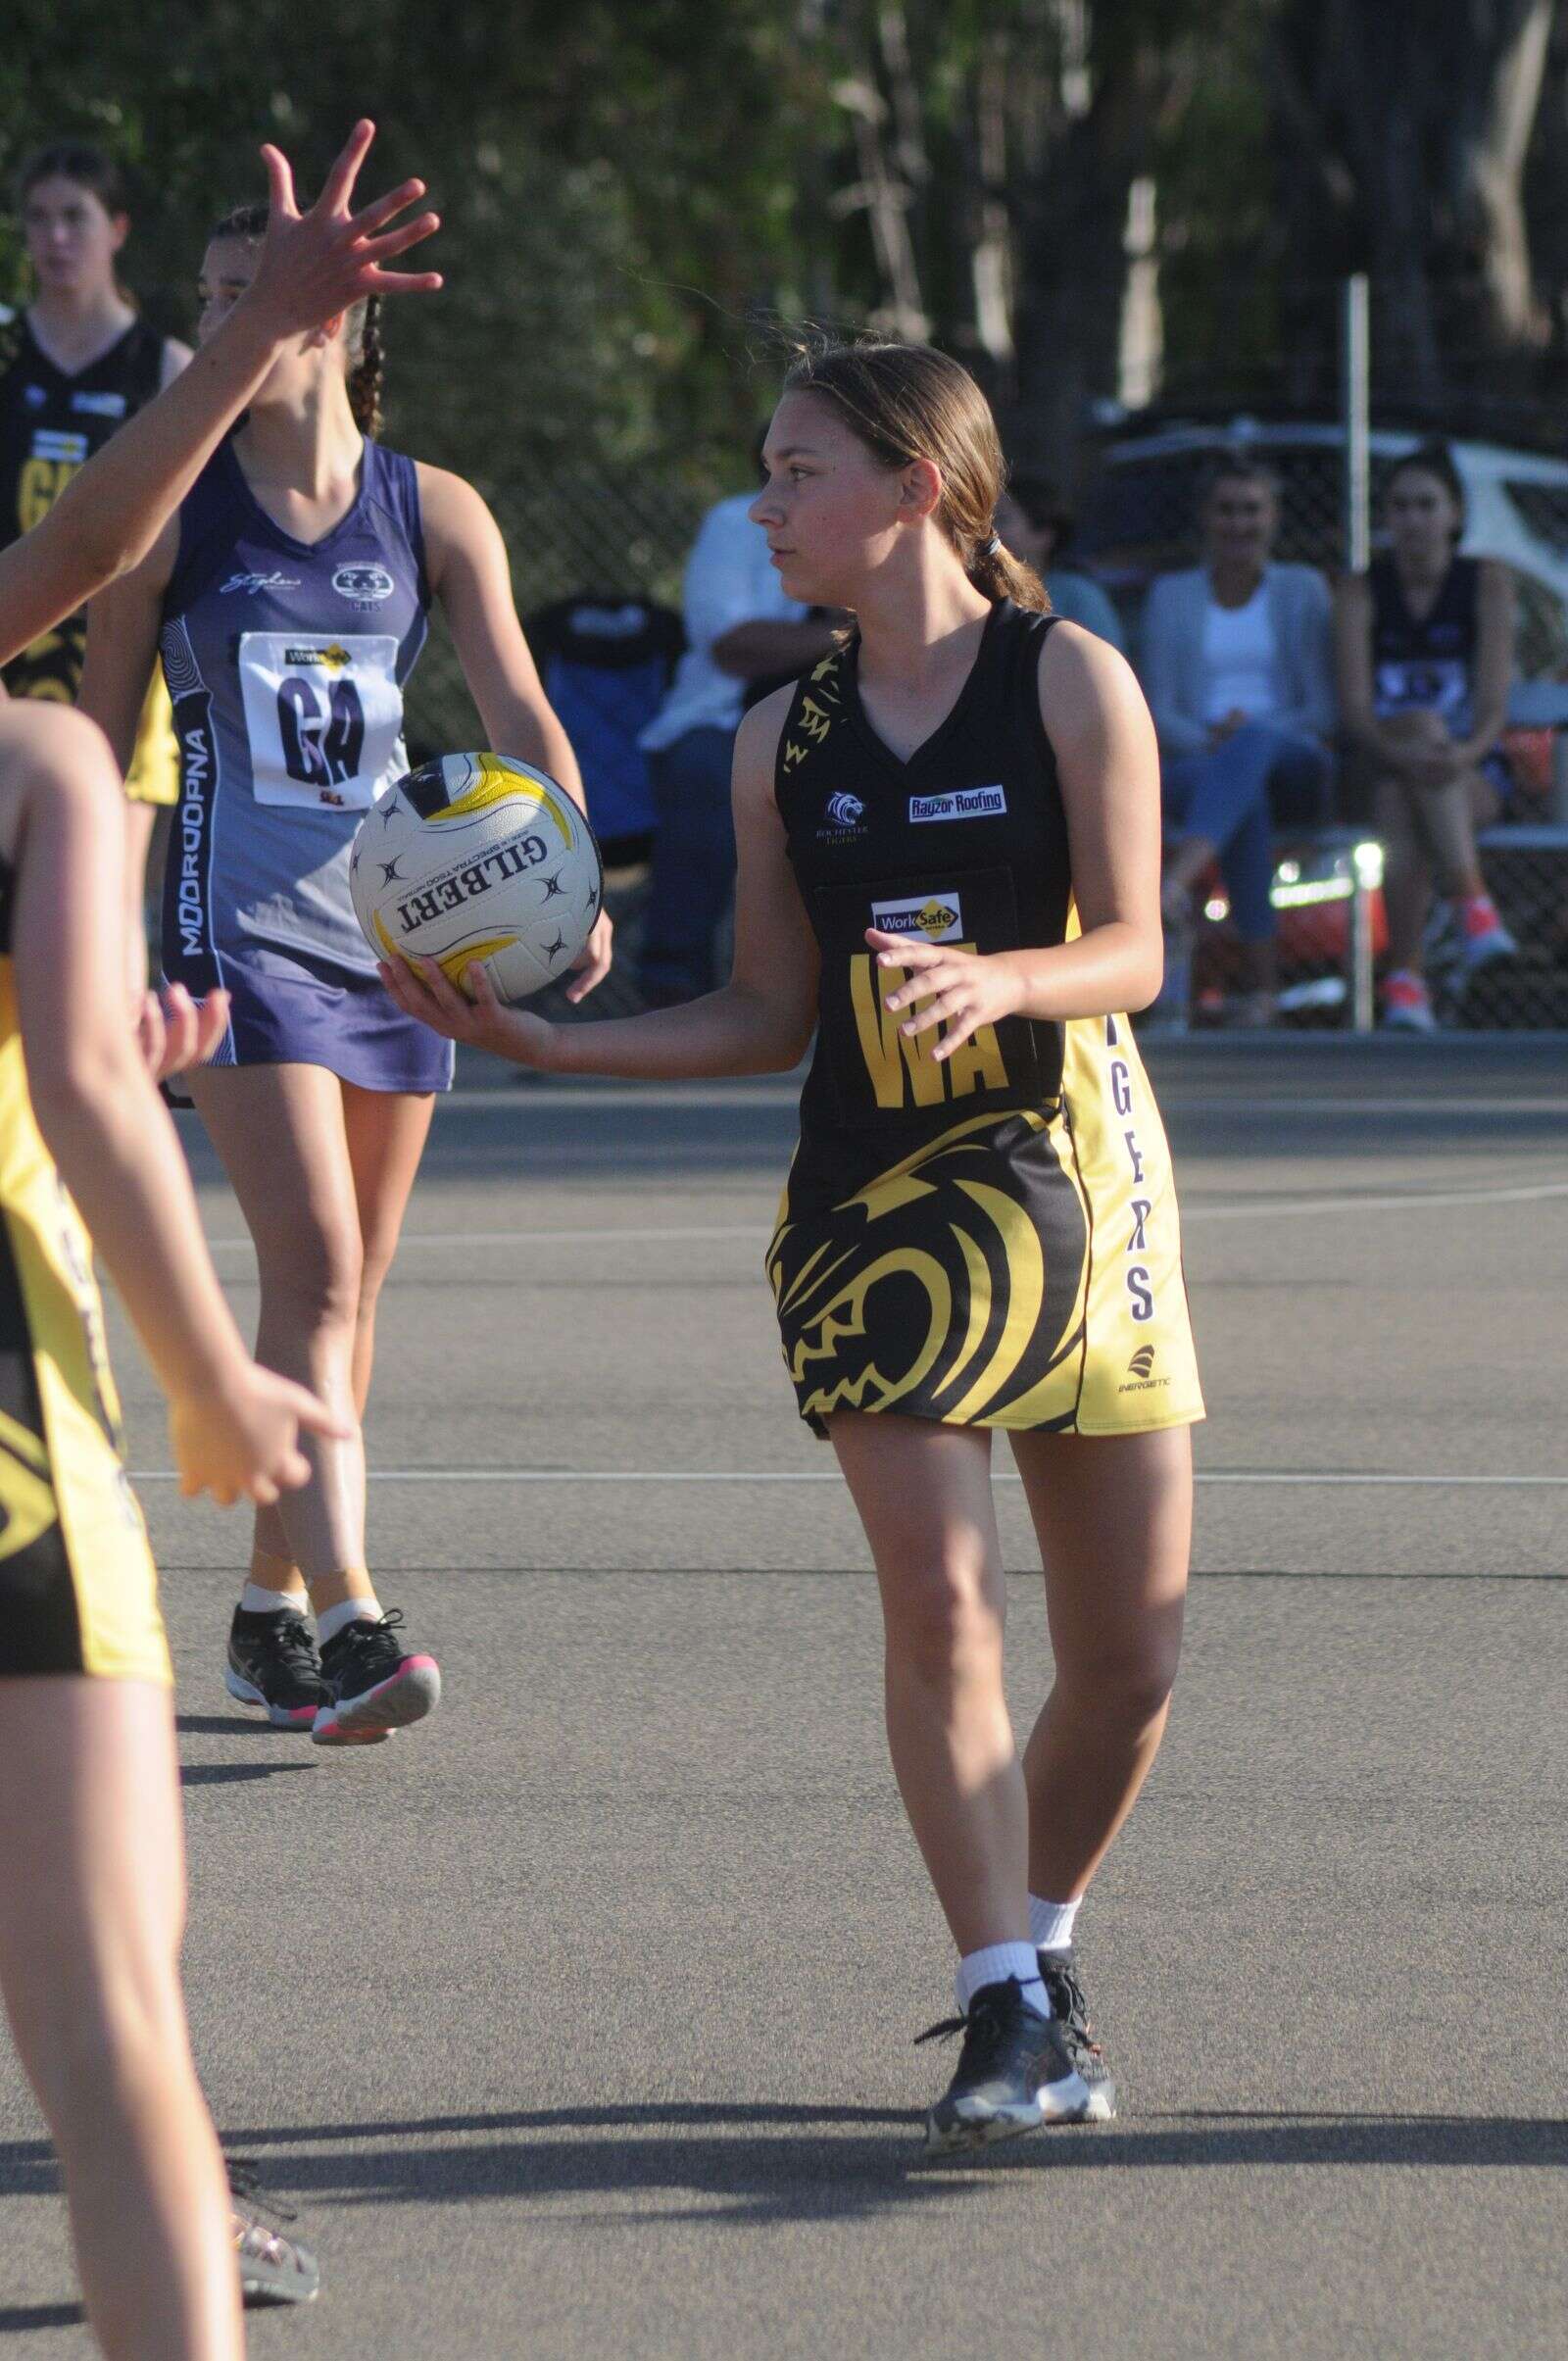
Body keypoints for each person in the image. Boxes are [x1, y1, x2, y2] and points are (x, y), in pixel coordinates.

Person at [384, 337, 1203, 2156]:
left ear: (918, 482)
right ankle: (999, 1990)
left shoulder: (1072, 682)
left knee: (1132, 1653)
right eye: (765, 470)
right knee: (941, 1598)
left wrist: (1010, 975)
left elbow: (1140, 947)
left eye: (799, 469)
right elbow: (766, 1005)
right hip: (877, 1203)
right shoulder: (778, 742)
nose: (765, 506)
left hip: (1078, 1175)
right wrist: (557, 1045)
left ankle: (1037, 1953)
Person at [0, 122, 440, 2357]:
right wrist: (213, 1375)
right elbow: (81, 1102)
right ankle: (180, 2227)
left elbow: (87, 536)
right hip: (14, 1455)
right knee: (105, 2017)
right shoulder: (45, 778)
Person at [80, 191, 611, 1750]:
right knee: (311, 1267)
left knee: (350, 1291)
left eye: (258, 291)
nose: (226, 319)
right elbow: (110, 735)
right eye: (212, 290)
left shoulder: (431, 509)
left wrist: (565, 873)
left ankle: (260, 1615)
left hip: (399, 933)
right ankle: (353, 1617)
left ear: (336, 318)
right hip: (229, 924)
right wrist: (107, 949)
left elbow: (518, 711)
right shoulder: (169, 510)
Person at [0, 143, 186, 826]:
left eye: (74, 217)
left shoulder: (169, 370)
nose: (55, 237)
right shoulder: (6, 352)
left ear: (117, 229)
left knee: (107, 900)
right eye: (38, 218)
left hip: (116, 658)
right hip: (7, 645)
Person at [1141, 456, 1336, 1024]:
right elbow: (1158, 708)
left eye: (1252, 510)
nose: (1239, 524)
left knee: (1251, 749)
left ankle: (1169, 888)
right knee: (1242, 795)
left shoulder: (1303, 590)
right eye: (1226, 510)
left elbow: (1323, 710)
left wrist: (1249, 733)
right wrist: (1211, 738)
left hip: (1294, 759)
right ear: (1206, 518)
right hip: (1200, 763)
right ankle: (1264, 991)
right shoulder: (1170, 595)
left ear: (1273, 518)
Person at [636, 458, 839, 1004]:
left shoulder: (875, 525)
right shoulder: (738, 522)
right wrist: (859, 633)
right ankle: (675, 982)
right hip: (725, 718)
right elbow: (734, 646)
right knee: (710, 772)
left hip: (848, 720)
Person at [1334, 442, 1516, 1032]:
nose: (1412, 519)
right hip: (1382, 759)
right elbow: (1357, 712)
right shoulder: (1361, 591)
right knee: (1413, 737)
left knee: (1404, 795)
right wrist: (1415, 753)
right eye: (1401, 506)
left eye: (1426, 505)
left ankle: (1407, 980)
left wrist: (1459, 755)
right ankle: (1474, 906)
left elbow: (1492, 705)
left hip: (1470, 770)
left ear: (1455, 515)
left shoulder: (1486, 582)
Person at [994, 470, 1126, 651]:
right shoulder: (985, 594)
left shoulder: (1077, 595)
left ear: (1044, 534)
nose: (990, 530)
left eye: (1002, 519)